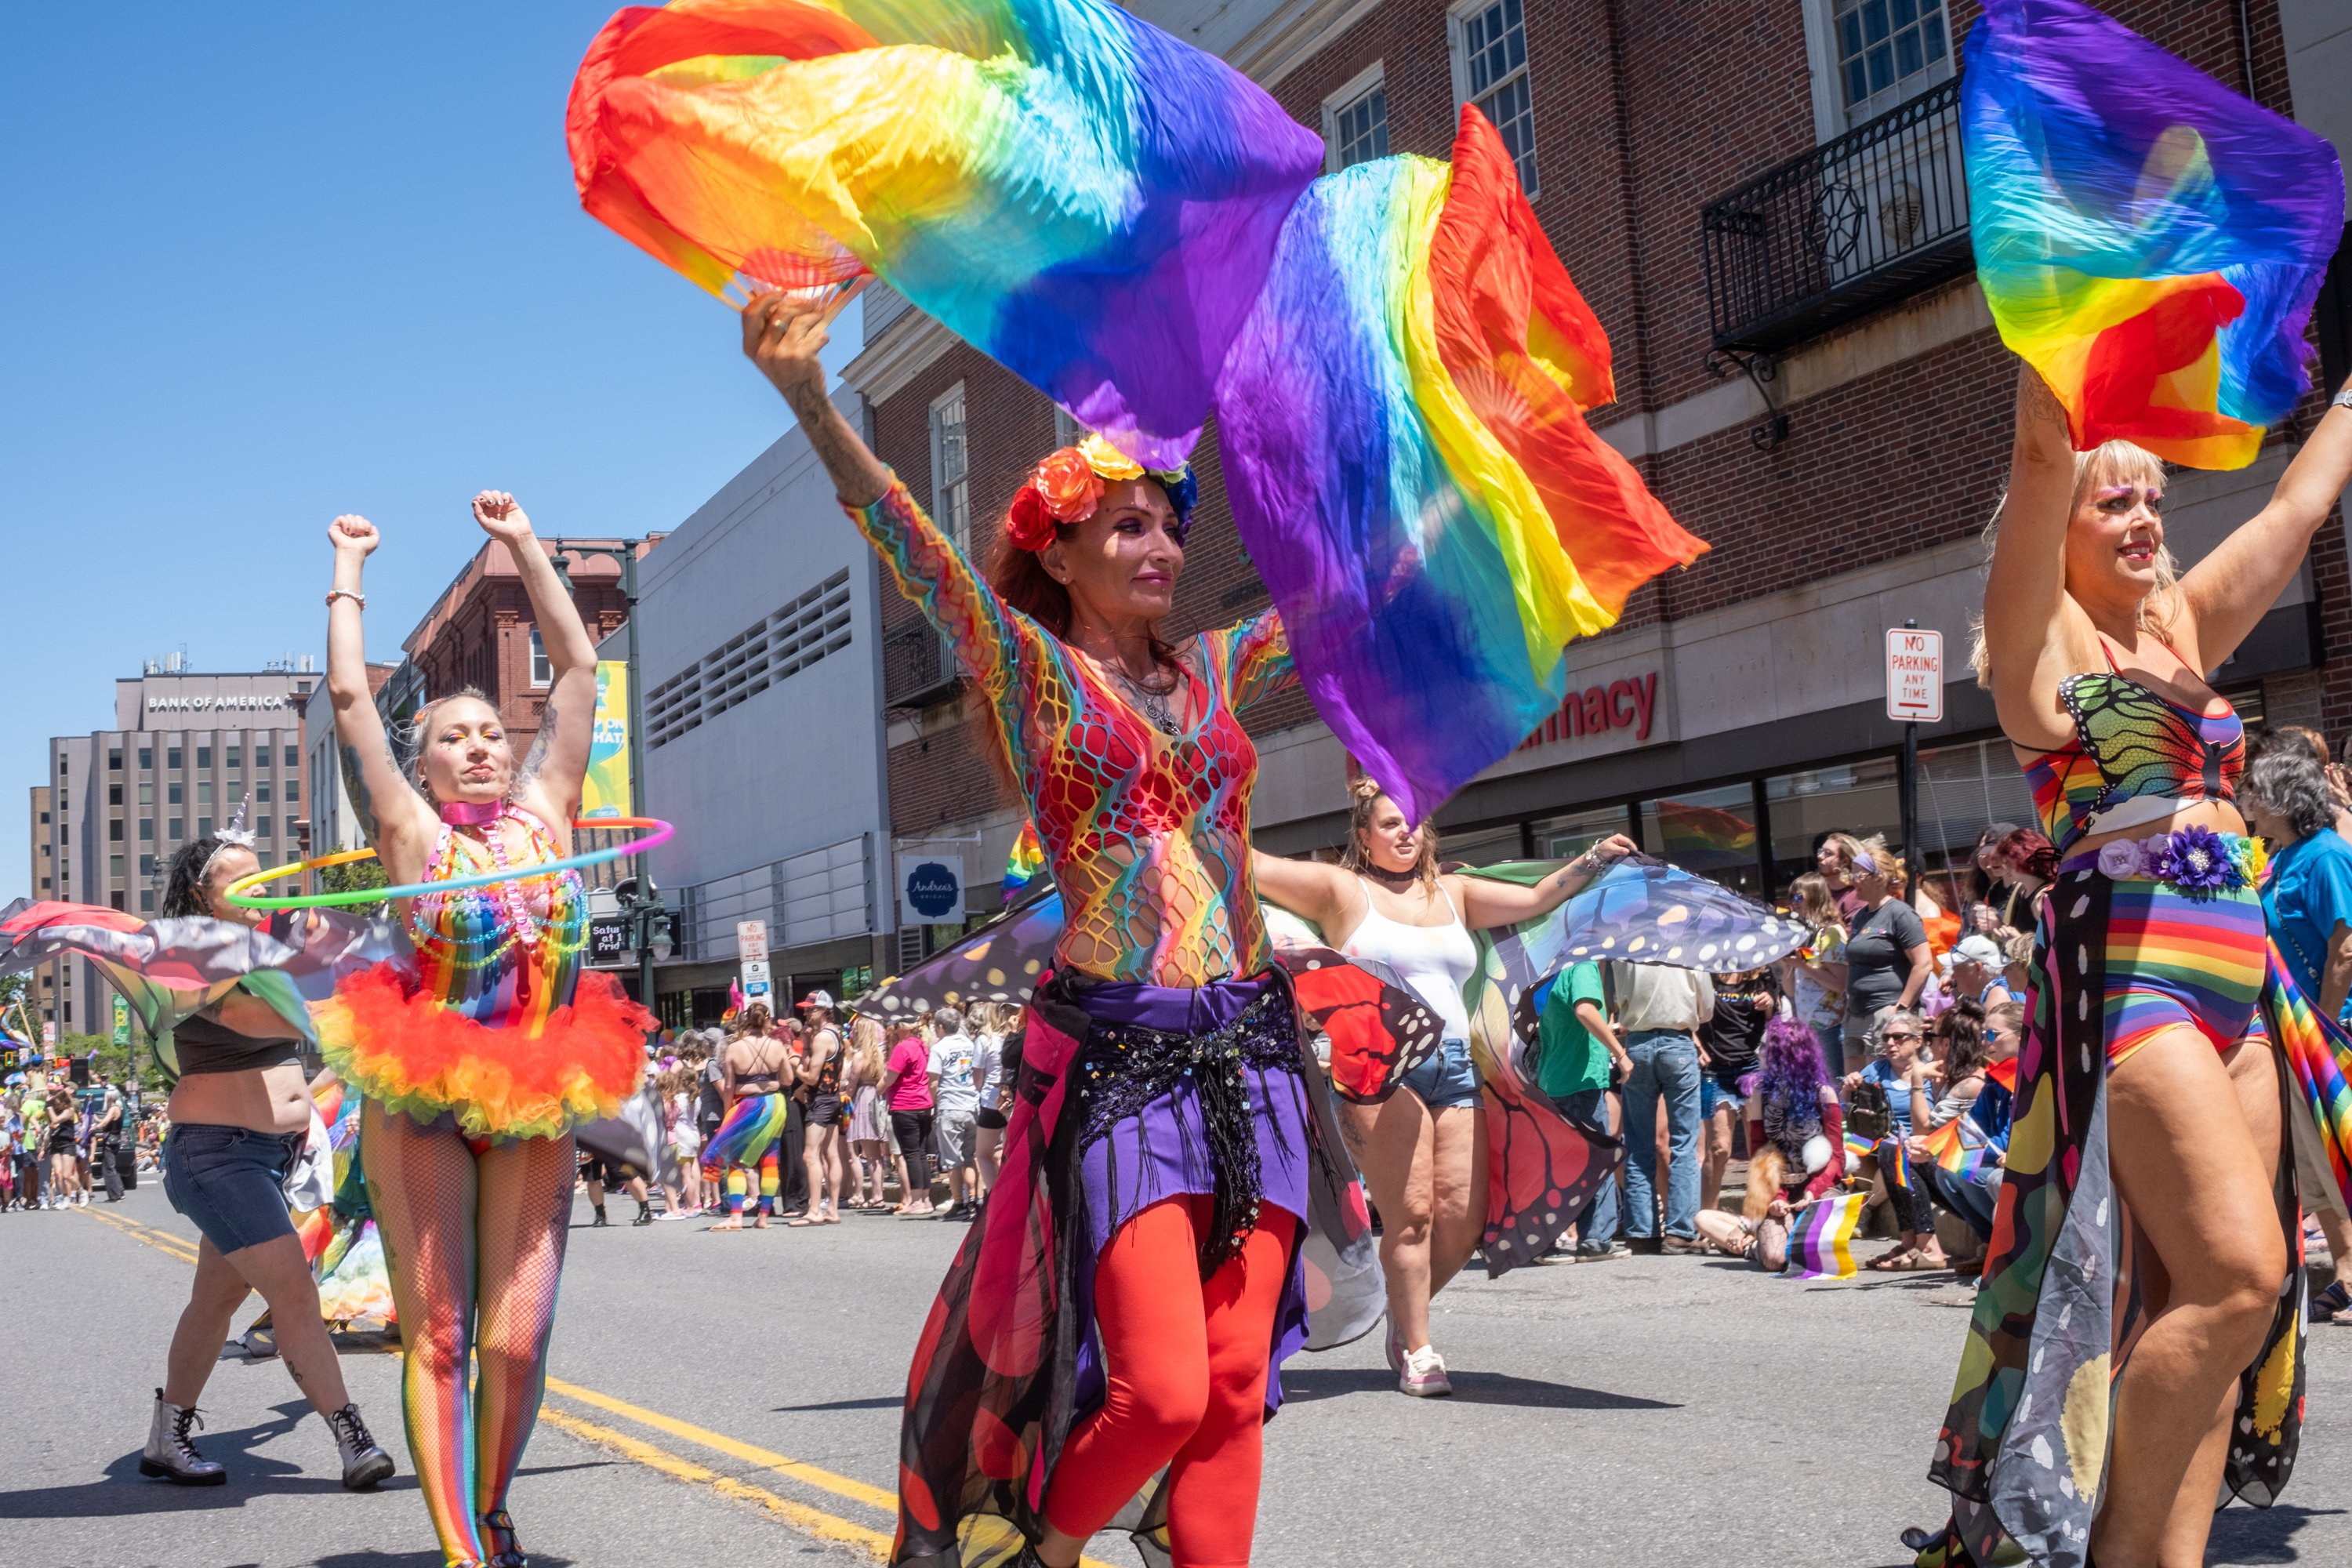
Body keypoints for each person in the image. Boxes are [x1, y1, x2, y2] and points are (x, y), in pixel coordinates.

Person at [746, 289, 1345, 1568]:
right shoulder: (1032, 672)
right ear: (1060, 556)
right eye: (1122, 524)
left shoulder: (1220, 669)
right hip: (1121, 1061)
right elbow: (907, 542)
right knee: (1162, 1394)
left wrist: (1482, 451)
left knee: (1238, 1385)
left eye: (1166, 524)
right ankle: (1037, 1552)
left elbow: (1354, 587)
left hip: (1251, 1048)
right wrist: (805, 389)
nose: (1157, 546)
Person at [1921, 359, 2352, 1568]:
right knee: (2240, 1273)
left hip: (2242, 987)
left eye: (2154, 497)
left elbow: (2296, 509)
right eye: (2117, 500)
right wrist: (2060, 316)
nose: (2147, 517)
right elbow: (2039, 455)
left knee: (2205, 1311)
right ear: (2056, 525)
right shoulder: (2037, 639)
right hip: (2137, 976)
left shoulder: (2175, 631)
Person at [320, 494, 652, 1568]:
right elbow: (347, 700)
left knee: (519, 1335)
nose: (476, 746)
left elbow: (577, 673)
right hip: (423, 1091)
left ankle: (494, 1501)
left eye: (485, 733)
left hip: (536, 1082)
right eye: (450, 738)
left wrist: (522, 549)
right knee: (447, 1334)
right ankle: (465, 1547)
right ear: (422, 766)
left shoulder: (546, 815)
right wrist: (349, 569)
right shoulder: (409, 831)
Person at [1254, 782, 1635, 1393]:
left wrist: (1593, 859)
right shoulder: (1342, 890)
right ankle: (1421, 1350)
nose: (1405, 832)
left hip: (1457, 1064)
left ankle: (1404, 1316)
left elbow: (1536, 898)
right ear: (1364, 836)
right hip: (1382, 1066)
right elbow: (1255, 867)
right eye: (1389, 824)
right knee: (1413, 1217)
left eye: (1414, 823)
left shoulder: (1454, 892)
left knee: (1463, 1219)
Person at [140, 830, 394, 1490]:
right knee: (293, 1290)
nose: (260, 889)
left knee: (215, 1300)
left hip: (265, 1157)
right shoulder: (187, 961)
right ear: (203, 893)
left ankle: (166, 1438)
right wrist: (351, 1000)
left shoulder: (268, 952)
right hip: (214, 1156)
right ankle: (353, 1438)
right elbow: (262, 1024)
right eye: (242, 881)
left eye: (263, 876)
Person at [2241, 743, 2352, 1323]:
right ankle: (2347, 1269)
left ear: (2284, 796)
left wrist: (2323, 1024)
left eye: (2255, 790)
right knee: (2317, 1161)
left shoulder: (2327, 855)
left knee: (2343, 1149)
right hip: (2296, 1029)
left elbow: (2347, 946)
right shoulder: (2279, 857)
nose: (2247, 801)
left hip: (2331, 1030)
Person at [1693, 1017, 1847, 1270]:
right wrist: (1776, 1197)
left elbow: (1837, 1158)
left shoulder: (1823, 1093)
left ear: (1787, 1054)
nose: (1757, 1052)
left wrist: (1813, 1190)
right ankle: (1754, 1245)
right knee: (1776, 1260)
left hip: (1818, 1190)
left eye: (1765, 1047)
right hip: (1777, 1192)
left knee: (1814, 1257)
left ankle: (1750, 1234)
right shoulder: (1758, 1093)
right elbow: (1759, 1154)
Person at [1608, 959, 1714, 1254]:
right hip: (1677, 1041)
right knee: (1683, 1141)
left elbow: (1618, 998)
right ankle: (1681, 1231)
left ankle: (1641, 1230)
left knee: (1638, 1142)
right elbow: (1706, 1009)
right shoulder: (1689, 948)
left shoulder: (1626, 948)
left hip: (1637, 1043)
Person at [1535, 960, 1629, 1261]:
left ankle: (1566, 1240)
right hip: (1580, 1079)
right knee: (1593, 1160)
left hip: (1559, 1078)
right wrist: (1620, 1052)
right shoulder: (1583, 966)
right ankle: (1592, 1240)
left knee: (1566, 1164)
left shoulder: (1555, 967)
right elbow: (1585, 1010)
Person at [1841, 1008, 1947, 1272]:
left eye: (1899, 1037)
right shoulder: (1877, 1069)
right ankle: (1907, 1240)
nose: (1890, 1043)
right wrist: (1849, 1087)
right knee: (1868, 1148)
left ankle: (1866, 1209)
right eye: (1886, 1037)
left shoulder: (1932, 1069)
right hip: (1882, 1142)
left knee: (1896, 1151)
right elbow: (1847, 1103)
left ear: (1918, 1041)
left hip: (1925, 1144)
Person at [1834, 834, 1931, 1074]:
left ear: (1879, 877)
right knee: (1857, 1086)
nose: (1853, 880)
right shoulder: (1861, 916)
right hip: (1857, 1013)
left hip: (1885, 1011)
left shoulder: (1900, 914)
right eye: (1852, 873)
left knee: (1885, 1082)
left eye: (1858, 874)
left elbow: (1924, 964)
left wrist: (1901, 1007)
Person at [703, 1004, 791, 1231]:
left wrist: (727, 1116)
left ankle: (736, 1216)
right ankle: (763, 1217)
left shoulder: (734, 1048)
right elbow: (789, 1080)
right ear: (767, 1020)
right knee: (770, 1159)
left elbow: (730, 1087)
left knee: (734, 1159)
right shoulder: (777, 1045)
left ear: (745, 1021)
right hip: (774, 1104)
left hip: (746, 1105)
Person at [1697, 967, 1777, 1217]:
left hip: (1751, 1067)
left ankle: (1760, 1216)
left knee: (1757, 1144)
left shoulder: (1762, 973)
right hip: (1714, 1071)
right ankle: (1707, 1219)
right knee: (1719, 1148)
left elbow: (1777, 1021)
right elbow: (1687, 1013)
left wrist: (1770, 1004)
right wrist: (1696, 1044)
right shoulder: (1703, 972)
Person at [1782, 873, 1849, 1087]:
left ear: (1815, 896)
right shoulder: (1806, 935)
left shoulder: (1831, 934)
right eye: (1791, 897)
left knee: (1834, 1088)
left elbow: (1839, 984)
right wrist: (1789, 965)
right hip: (1807, 1026)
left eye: (1798, 897)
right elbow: (1791, 991)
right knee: (1817, 1090)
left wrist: (1802, 965)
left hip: (1830, 1025)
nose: (1793, 903)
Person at [793, 993, 849, 1226]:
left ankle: (815, 1210)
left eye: (811, 1010)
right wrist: (805, 1044)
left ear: (824, 1010)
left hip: (822, 1099)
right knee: (831, 1154)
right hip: (834, 1097)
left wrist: (793, 1063)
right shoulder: (836, 1033)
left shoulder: (822, 1038)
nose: (806, 1014)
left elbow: (811, 1076)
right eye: (805, 1010)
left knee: (810, 1155)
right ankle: (832, 1209)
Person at [925, 1005, 985, 1221]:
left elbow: (933, 1082)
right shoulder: (970, 1044)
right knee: (970, 1158)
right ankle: (976, 1200)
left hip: (950, 1105)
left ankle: (959, 1202)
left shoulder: (939, 1048)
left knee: (953, 1161)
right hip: (972, 1105)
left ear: (940, 1027)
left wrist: (936, 1102)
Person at [880, 1020, 936, 1218]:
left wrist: (880, 1088)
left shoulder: (903, 1048)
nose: (894, 1030)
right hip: (924, 1103)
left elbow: (890, 1077)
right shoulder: (922, 1046)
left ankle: (917, 1200)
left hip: (905, 1104)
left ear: (904, 1028)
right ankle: (926, 1199)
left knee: (911, 1153)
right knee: (919, 1153)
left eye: (897, 1026)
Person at [843, 1015, 891, 1210]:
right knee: (875, 1154)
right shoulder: (879, 1055)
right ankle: (878, 1195)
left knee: (855, 1151)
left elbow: (852, 1085)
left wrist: (844, 1093)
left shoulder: (859, 1056)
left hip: (861, 1099)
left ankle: (859, 1194)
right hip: (876, 1100)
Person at [969, 1003, 1012, 1196]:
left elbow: (978, 1075)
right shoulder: (1010, 1037)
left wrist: (979, 1092)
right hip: (1012, 1097)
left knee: (983, 1153)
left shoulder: (984, 1040)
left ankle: (995, 1198)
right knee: (1008, 1151)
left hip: (990, 1099)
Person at [1944, 934, 2015, 1011]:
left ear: (1978, 968)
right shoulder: (1985, 993)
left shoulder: (1998, 996)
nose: (1953, 976)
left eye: (1957, 970)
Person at [91, 1073, 125, 1203]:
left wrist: (95, 1127)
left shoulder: (114, 1109)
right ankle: (120, 1191)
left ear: (110, 1098)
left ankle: (115, 1195)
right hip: (115, 1140)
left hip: (110, 1141)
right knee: (112, 1166)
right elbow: (105, 1120)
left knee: (108, 1168)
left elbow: (105, 1123)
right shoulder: (118, 1109)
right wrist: (96, 1119)